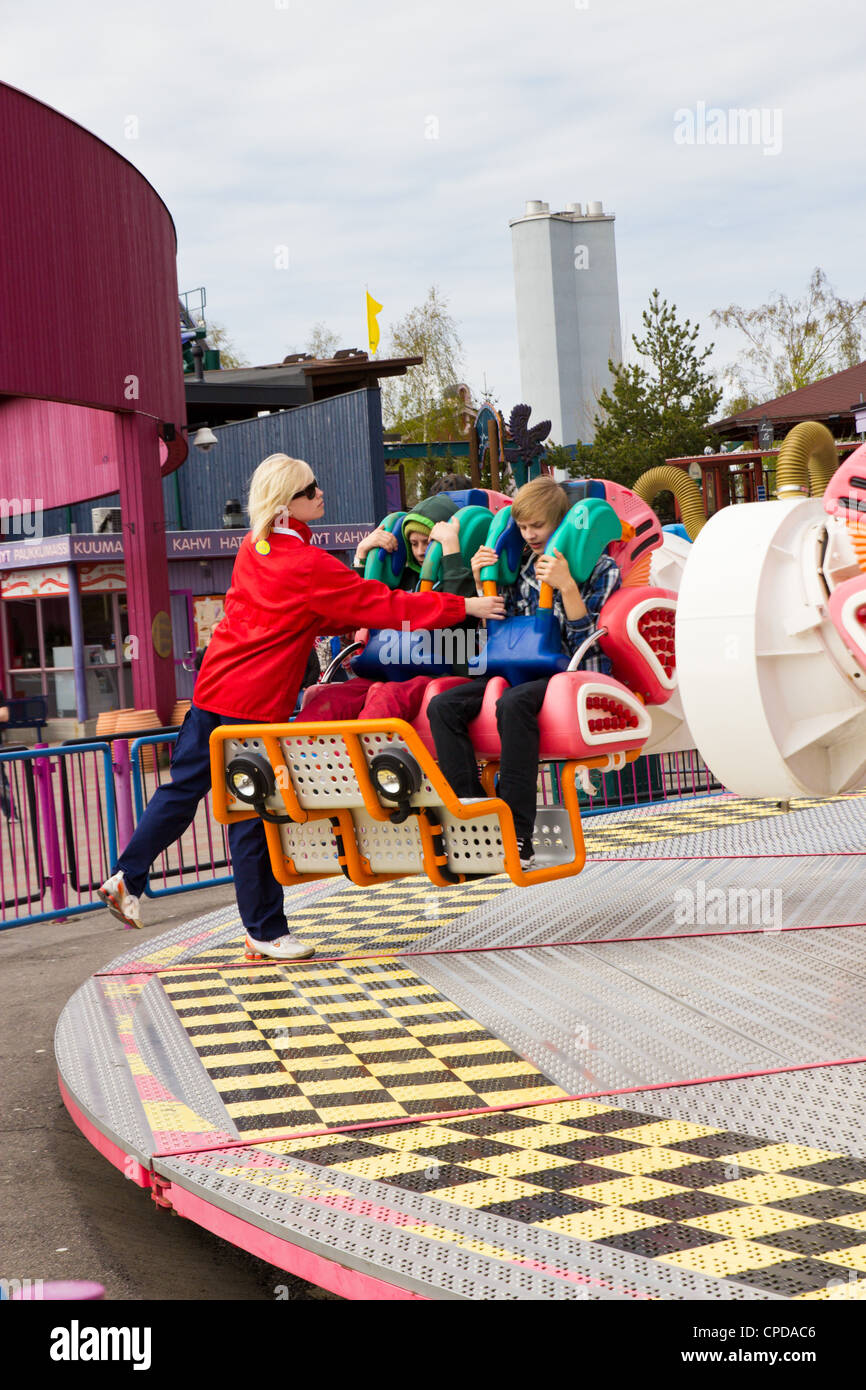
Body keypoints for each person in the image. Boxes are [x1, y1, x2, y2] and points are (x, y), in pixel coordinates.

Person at [98, 454, 504, 960]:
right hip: (252, 703)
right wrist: (462, 607)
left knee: (183, 789)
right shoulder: (306, 563)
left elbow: (295, 617)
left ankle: (127, 876)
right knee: (252, 814)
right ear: (287, 504)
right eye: (310, 489)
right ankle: (264, 931)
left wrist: (343, 618)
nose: (320, 493)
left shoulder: (255, 546)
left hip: (212, 690)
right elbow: (384, 603)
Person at [427, 475, 621, 870]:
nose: (530, 534)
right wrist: (486, 584)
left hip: (567, 672)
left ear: (561, 523)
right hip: (517, 668)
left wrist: (567, 588)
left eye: (539, 526)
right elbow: (497, 630)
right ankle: (475, 824)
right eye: (522, 527)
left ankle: (517, 835)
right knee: (443, 707)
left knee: (513, 705)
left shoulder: (602, 568)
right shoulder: (519, 568)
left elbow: (587, 643)